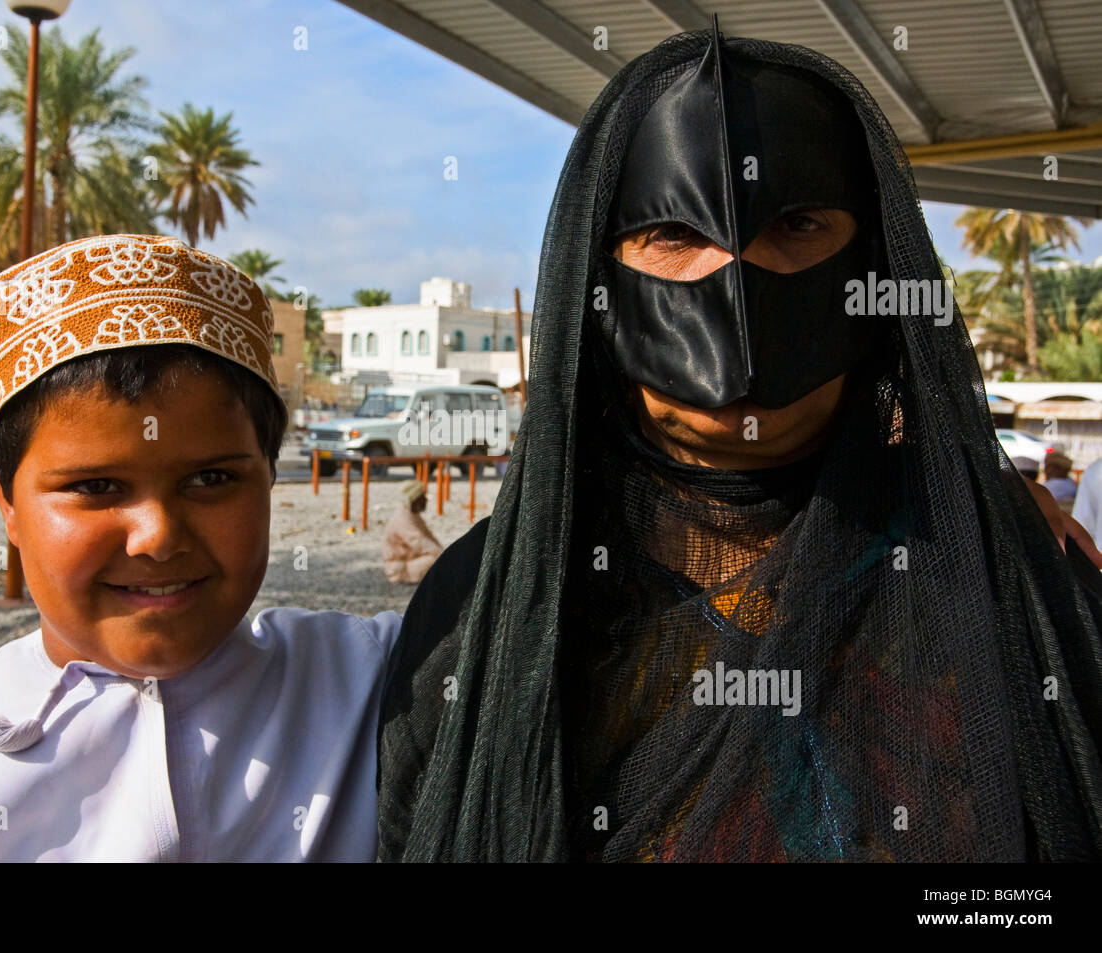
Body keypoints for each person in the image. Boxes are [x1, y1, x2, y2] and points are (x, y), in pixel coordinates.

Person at [377, 26, 1102, 862]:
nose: (739, 303)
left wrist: (971, 505)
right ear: (600, 281)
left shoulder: (999, 574)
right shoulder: (485, 610)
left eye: (798, 224)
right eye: (675, 237)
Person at [0, 234, 399, 861]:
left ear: (269, 477)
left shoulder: (375, 682)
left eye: (211, 479)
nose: (159, 535)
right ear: (5, 499)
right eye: (95, 486)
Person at [382, 480, 443, 584]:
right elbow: (420, 542)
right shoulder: (403, 518)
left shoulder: (412, 515)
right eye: (422, 497)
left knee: (440, 559)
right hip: (401, 568)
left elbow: (429, 538)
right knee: (438, 561)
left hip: (410, 561)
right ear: (414, 498)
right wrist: (443, 555)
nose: (425, 500)